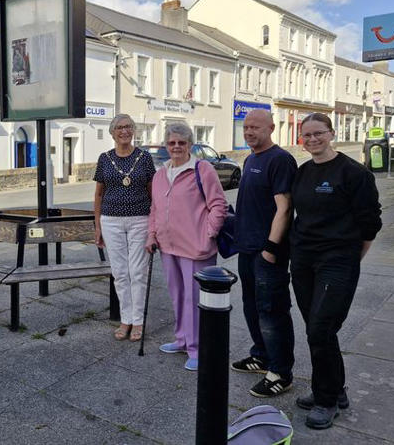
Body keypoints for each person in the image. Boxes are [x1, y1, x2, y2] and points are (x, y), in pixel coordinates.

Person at [290, 113, 381, 430]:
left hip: (338, 261)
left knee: (321, 329)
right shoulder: (302, 173)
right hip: (303, 260)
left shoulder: (353, 173)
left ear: (332, 134)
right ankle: (334, 388)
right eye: (307, 135)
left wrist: (351, 258)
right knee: (318, 329)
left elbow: (370, 223)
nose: (312, 139)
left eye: (318, 133)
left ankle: (326, 401)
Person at [146, 122, 227, 371]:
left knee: (195, 300)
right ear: (166, 146)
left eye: (182, 143)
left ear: (190, 145)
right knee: (178, 296)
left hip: (196, 247)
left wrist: (208, 234)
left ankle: (197, 348)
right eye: (172, 143)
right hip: (168, 246)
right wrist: (151, 235)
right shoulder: (160, 174)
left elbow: (218, 205)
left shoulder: (202, 170)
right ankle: (182, 339)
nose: (177, 147)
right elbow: (155, 209)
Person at [232, 109, 297, 398]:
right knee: (251, 305)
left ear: (271, 128)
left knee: (272, 311)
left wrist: (270, 249)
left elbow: (284, 208)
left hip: (266, 252)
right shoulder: (250, 159)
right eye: (246, 127)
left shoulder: (280, 160)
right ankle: (261, 356)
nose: (249, 132)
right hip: (246, 249)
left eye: (255, 127)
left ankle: (281, 372)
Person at [93, 114, 156, 342]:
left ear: (134, 130)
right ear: (112, 132)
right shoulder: (104, 158)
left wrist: (154, 227)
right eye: (119, 127)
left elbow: (153, 193)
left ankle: (138, 321)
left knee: (138, 271)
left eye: (128, 126)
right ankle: (125, 319)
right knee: (120, 273)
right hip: (111, 221)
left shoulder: (145, 158)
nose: (124, 131)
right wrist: (98, 226)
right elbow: (99, 193)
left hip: (140, 219)